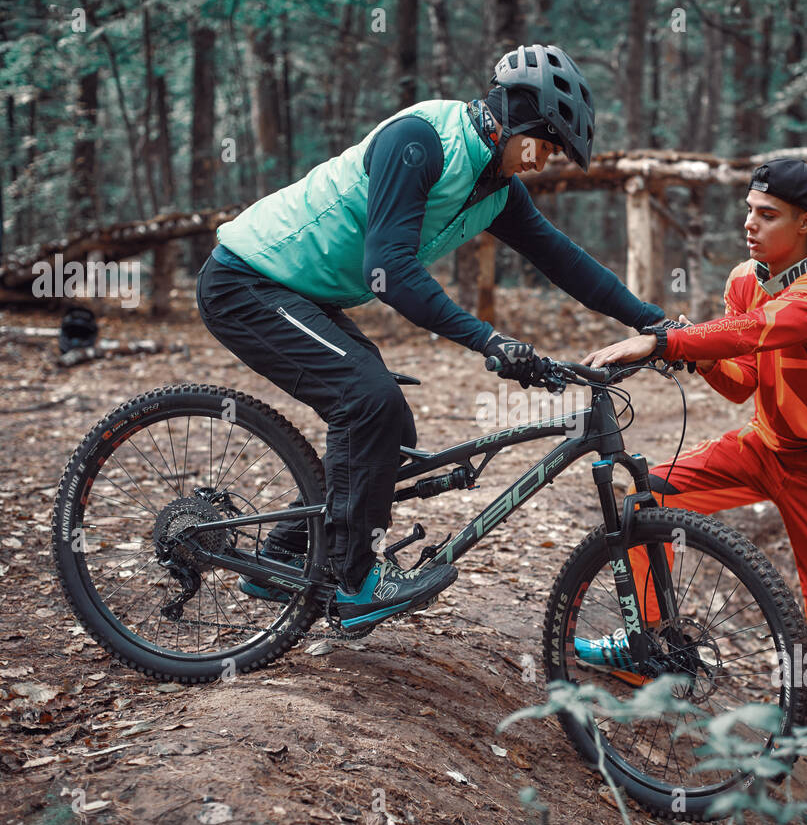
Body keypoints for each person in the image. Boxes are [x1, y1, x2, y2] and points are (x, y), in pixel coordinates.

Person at [196, 44, 672, 630]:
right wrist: (488, 341)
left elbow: (566, 263)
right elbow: (389, 270)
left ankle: (281, 556)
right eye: (545, 145)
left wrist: (653, 321)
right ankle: (353, 581)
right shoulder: (420, 140)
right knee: (367, 400)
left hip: (303, 291)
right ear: (516, 120)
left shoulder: (494, 187)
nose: (546, 161)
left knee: (389, 426)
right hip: (248, 280)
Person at [580, 159, 807, 792]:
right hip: (760, 445)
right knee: (648, 493)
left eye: (767, 216)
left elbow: (759, 329)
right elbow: (742, 382)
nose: (749, 224)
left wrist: (665, 343)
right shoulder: (746, 278)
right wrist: (695, 354)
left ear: (806, 223)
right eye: (748, 210)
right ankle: (642, 644)